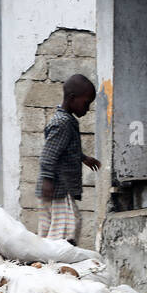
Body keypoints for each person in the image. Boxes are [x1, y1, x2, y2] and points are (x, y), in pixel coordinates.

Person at [37, 74, 101, 245]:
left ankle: (50, 261)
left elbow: (65, 150)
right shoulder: (62, 123)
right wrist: (48, 180)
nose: (87, 109)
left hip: (59, 187)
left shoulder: (67, 121)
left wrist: (84, 158)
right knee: (66, 229)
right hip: (58, 188)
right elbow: (48, 155)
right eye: (86, 103)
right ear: (72, 98)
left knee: (57, 228)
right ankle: (54, 264)